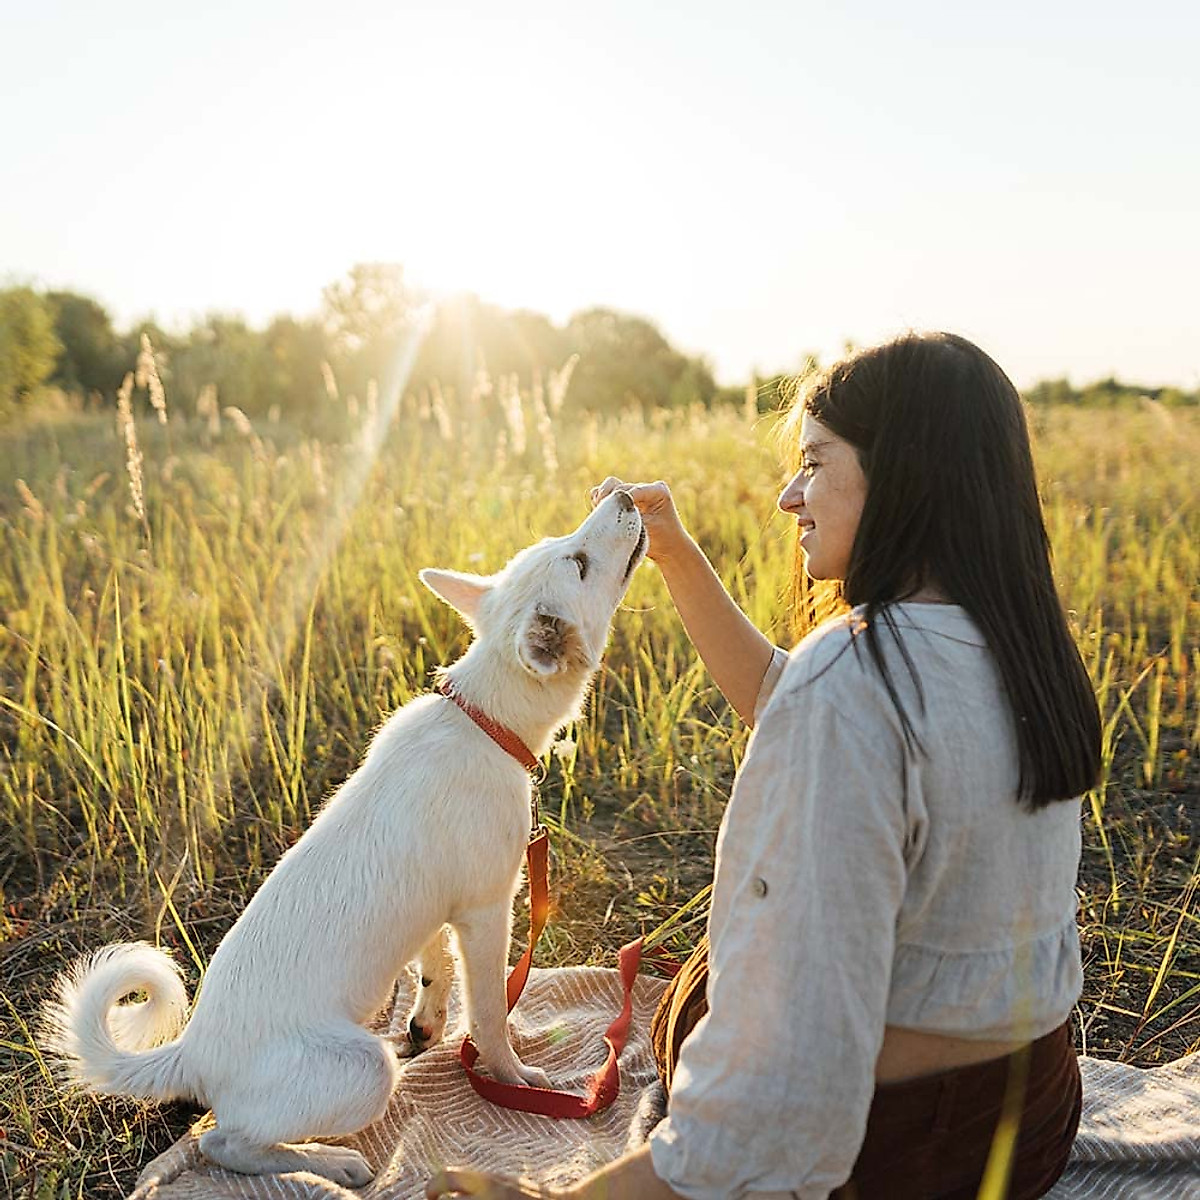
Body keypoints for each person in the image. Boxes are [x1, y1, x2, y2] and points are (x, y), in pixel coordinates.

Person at [428, 332, 1099, 1200]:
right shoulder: (1014, 644)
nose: (790, 496)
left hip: (893, 1150)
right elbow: (799, 702)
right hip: (1034, 1119)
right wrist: (670, 550)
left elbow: (772, 1102)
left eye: (815, 464)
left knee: (710, 993)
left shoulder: (855, 676)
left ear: (903, 475)